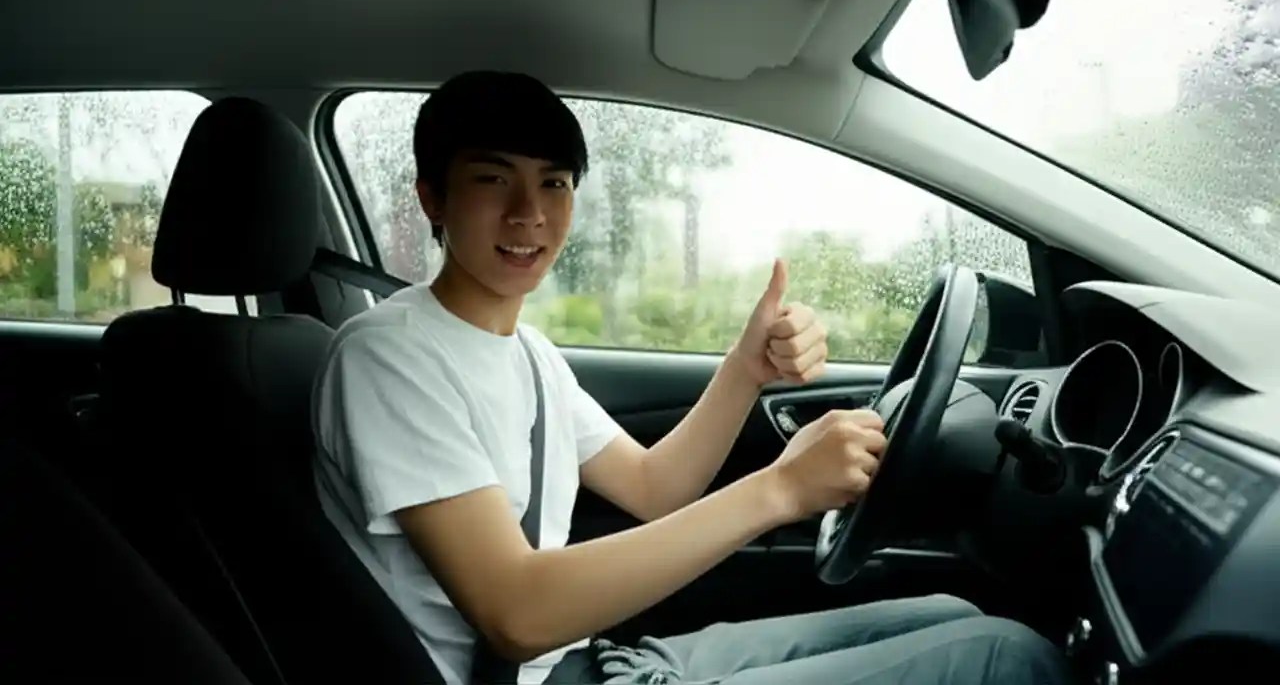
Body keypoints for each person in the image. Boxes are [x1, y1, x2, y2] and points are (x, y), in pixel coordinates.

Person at [312, 71, 1070, 685]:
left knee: (948, 614)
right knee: (1006, 660)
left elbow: (655, 487)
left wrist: (746, 369)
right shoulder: (388, 357)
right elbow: (517, 614)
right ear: (432, 197)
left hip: (591, 662)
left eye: (554, 184)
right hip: (530, 674)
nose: (528, 213)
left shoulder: (529, 354)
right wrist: (780, 488)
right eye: (492, 179)